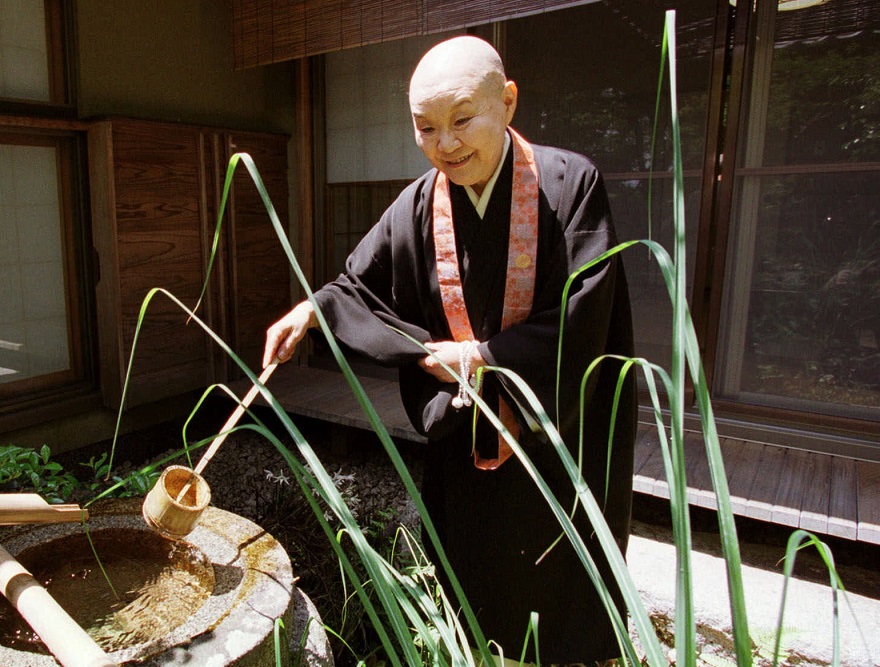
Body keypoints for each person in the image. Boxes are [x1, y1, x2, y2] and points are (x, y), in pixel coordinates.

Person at [263, 36, 636, 666]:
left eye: (463, 119)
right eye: (425, 127)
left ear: (507, 101)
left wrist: (487, 355)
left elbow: (586, 315)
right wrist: (313, 309)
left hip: (553, 432)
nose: (446, 144)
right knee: (470, 571)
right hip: (463, 435)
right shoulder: (418, 203)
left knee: (557, 580)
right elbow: (358, 284)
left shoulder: (571, 184)